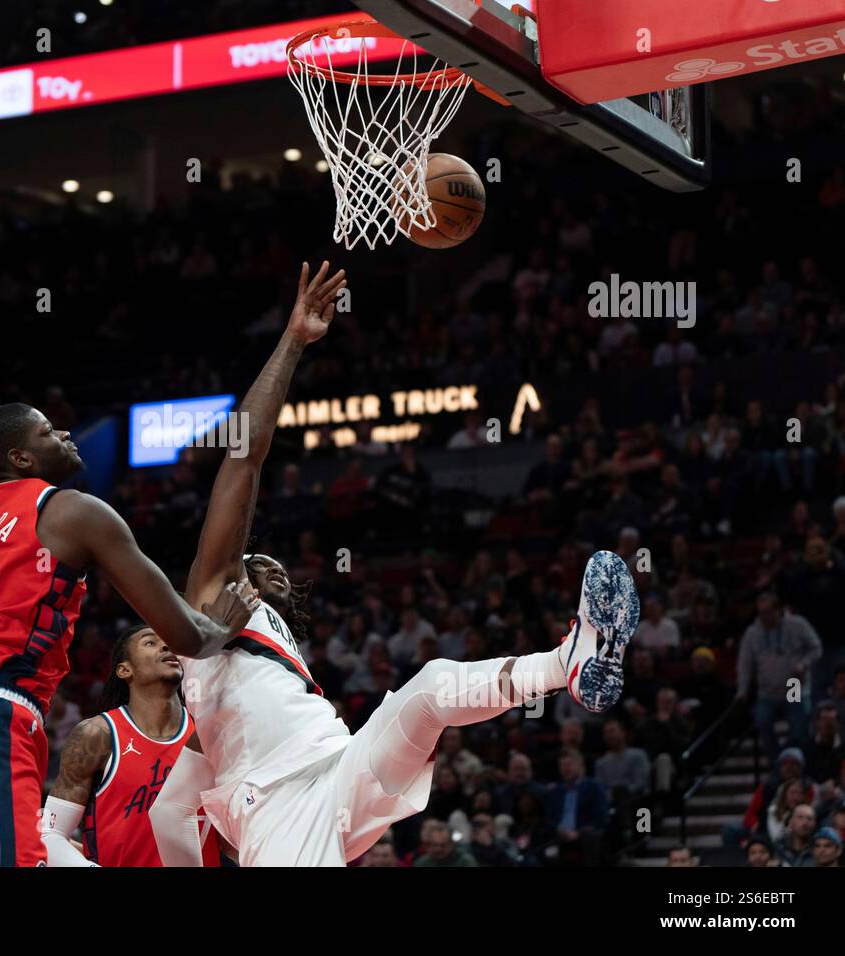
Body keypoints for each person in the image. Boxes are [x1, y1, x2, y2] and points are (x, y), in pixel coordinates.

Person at [151, 262, 641, 866]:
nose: (272, 567)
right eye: (257, 560)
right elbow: (243, 458)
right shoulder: (214, 596)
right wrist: (293, 342)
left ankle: (569, 661)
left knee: (433, 684)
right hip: (276, 808)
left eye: (275, 564)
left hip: (342, 764)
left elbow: (170, 805)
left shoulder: (258, 661)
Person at [0, 403, 257, 867]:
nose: (66, 433)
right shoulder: (74, 512)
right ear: (20, 458)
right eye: (48, 431)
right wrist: (225, 624)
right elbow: (188, 636)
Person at [39, 627, 220, 866]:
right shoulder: (98, 735)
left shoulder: (207, 732)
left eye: (169, 641)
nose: (167, 646)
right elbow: (50, 835)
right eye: (150, 643)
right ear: (125, 670)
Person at [736, 592, 822, 764]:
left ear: (778, 610)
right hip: (767, 688)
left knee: (799, 726)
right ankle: (777, 762)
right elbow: (745, 663)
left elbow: (816, 648)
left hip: (793, 683)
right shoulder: (753, 632)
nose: (764, 617)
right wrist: (742, 689)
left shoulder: (798, 625)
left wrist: (803, 664)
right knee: (762, 721)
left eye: (767, 612)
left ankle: (794, 761)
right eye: (760, 613)